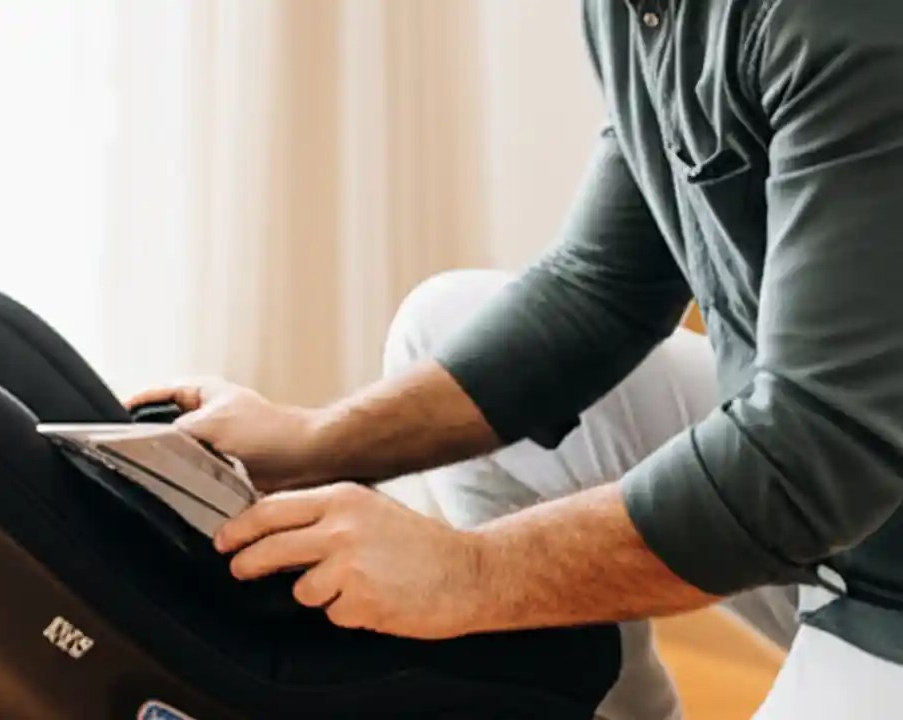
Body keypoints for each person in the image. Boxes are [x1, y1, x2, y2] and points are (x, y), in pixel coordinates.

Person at [129, 2, 903, 717]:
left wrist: (465, 576)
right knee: (443, 321)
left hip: (871, 545)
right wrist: (310, 443)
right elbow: (602, 290)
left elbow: (819, 451)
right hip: (848, 496)